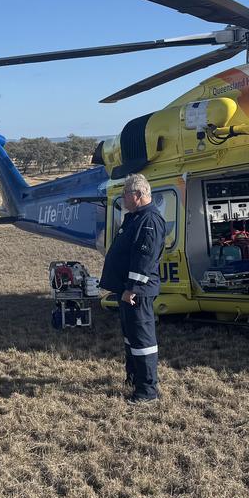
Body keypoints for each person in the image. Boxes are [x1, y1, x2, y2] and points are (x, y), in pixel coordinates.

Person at [99, 173, 165, 404]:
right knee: (131, 339)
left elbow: (144, 258)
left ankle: (147, 392)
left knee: (142, 341)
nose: (123, 199)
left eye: (125, 194)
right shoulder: (136, 218)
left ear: (137, 195)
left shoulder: (149, 221)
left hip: (136, 293)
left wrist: (133, 288)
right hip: (126, 290)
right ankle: (134, 377)